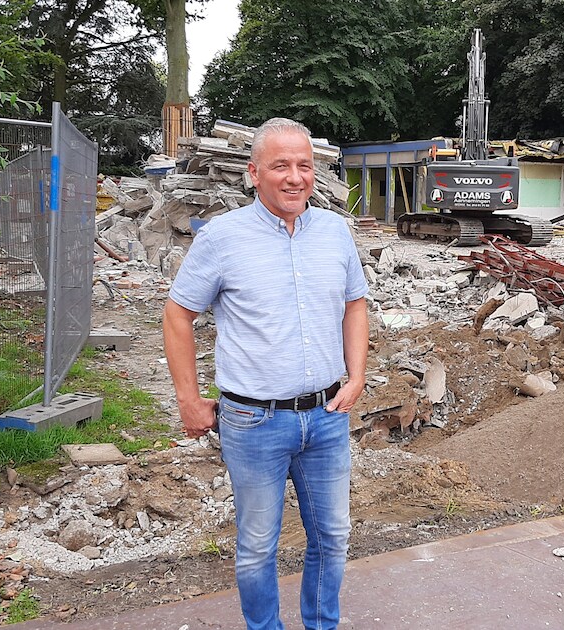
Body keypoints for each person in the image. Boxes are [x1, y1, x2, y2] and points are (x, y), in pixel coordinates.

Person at [162, 117, 369, 630]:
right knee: (257, 546)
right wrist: (189, 400)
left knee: (332, 537)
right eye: (281, 165)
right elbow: (177, 314)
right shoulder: (223, 238)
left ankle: (321, 625)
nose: (295, 176)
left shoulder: (334, 231)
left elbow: (355, 304)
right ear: (254, 174)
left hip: (326, 416)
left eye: (304, 165)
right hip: (254, 421)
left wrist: (357, 375)